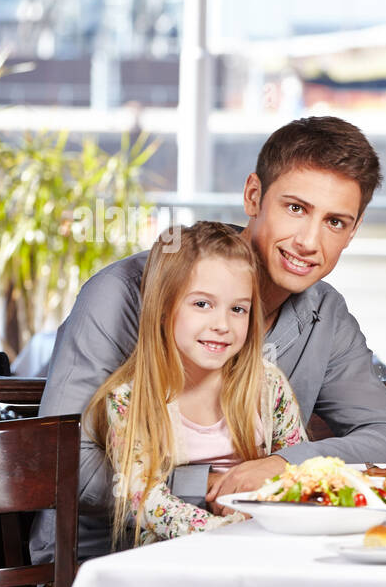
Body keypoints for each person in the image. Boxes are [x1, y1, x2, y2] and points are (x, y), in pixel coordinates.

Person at [30, 116, 386, 569]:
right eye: (296, 208)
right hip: (99, 566)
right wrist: (215, 483)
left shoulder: (325, 315)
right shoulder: (121, 293)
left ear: (353, 231)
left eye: (334, 221)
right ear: (254, 196)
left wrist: (284, 466)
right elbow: (62, 463)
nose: (309, 241)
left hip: (257, 557)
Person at [87, 222, 306, 547]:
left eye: (237, 309)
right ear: (163, 309)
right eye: (202, 304)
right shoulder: (130, 398)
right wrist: (227, 532)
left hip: (265, 550)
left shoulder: (268, 386)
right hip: (174, 562)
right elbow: (145, 501)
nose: (221, 325)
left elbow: (298, 475)